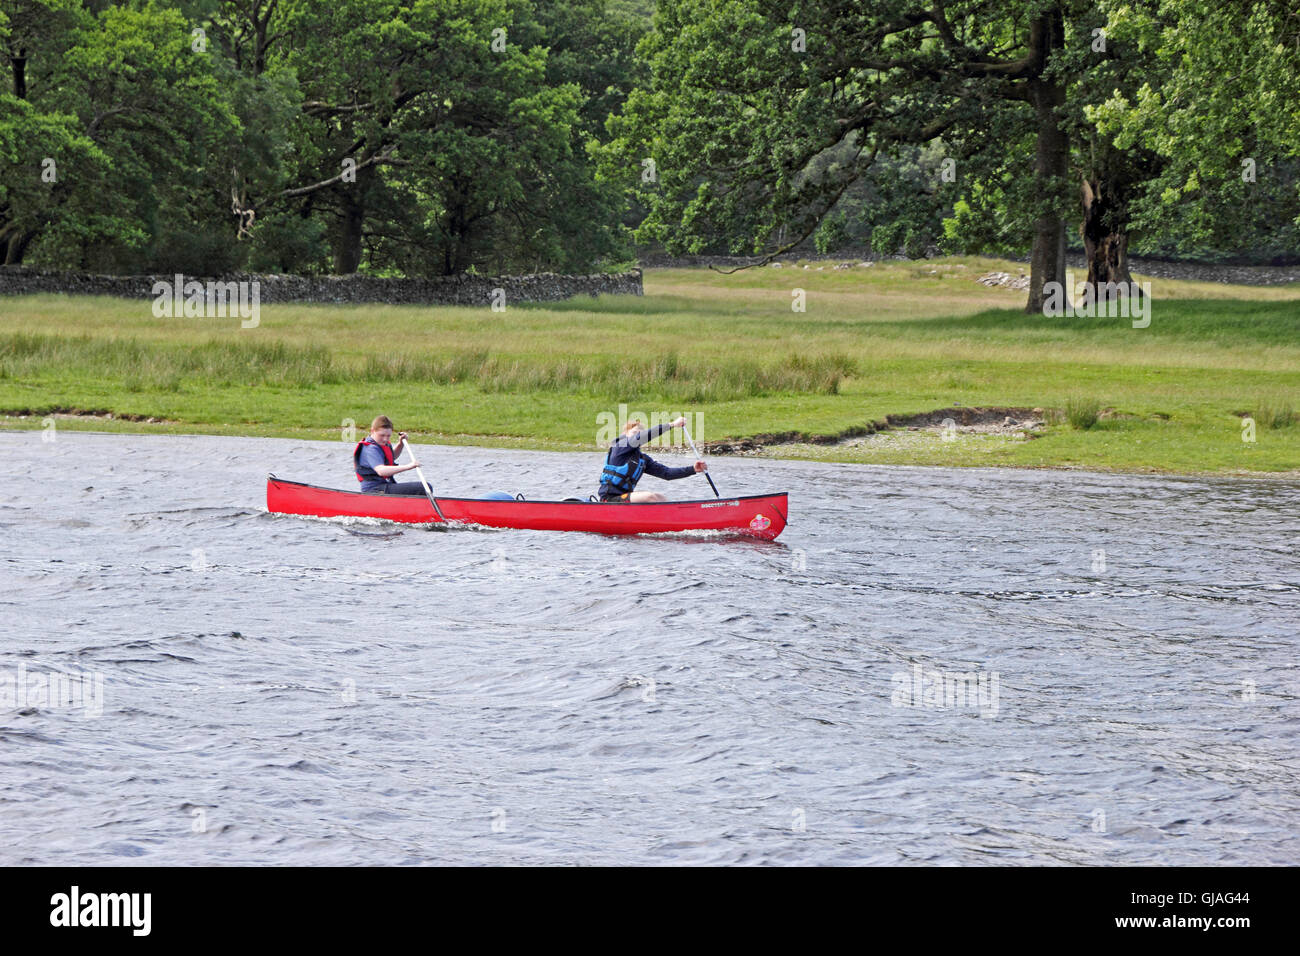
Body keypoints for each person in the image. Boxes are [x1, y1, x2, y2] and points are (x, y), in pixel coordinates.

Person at [598, 416, 706, 502]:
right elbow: (645, 436)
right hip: (608, 499)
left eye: (640, 433)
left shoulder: (642, 459)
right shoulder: (620, 446)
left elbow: (666, 473)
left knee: (660, 497)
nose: (638, 435)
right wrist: (672, 424)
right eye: (634, 433)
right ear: (625, 434)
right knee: (650, 497)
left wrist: (693, 469)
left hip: (624, 498)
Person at [353, 416, 428, 495]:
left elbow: (391, 457)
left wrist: (400, 444)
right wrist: (408, 466)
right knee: (424, 487)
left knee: (425, 487)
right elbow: (381, 471)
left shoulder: (381, 443)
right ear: (372, 431)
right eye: (382, 435)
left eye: (388, 436)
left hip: (385, 485)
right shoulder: (370, 449)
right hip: (374, 490)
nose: (385, 439)